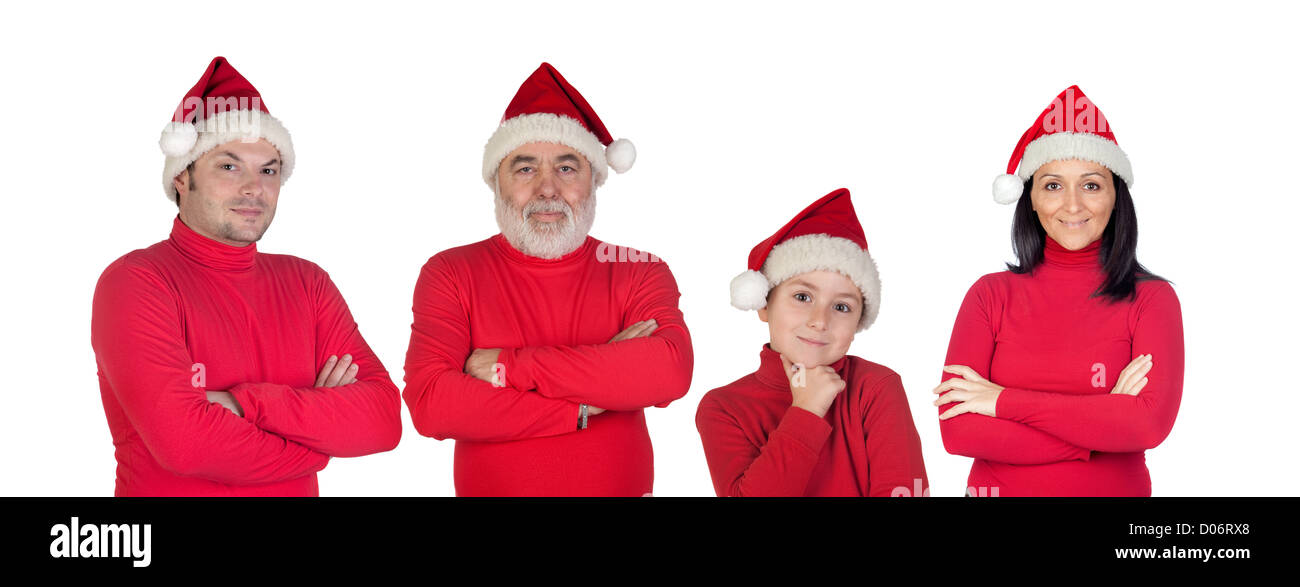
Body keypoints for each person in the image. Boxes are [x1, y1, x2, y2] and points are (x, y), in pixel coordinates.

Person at [90, 56, 402, 496]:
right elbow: (186, 444)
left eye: (268, 170)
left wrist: (242, 404)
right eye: (229, 166)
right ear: (182, 175)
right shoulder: (137, 282)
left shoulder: (307, 283)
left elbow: (383, 420)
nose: (254, 188)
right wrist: (315, 442)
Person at [401, 63, 693, 496]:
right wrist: (584, 405)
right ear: (495, 182)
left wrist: (508, 366)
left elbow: (668, 369)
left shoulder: (638, 268)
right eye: (524, 169)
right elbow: (433, 403)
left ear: (593, 179)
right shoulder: (451, 272)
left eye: (567, 168)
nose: (547, 189)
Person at [934, 85, 1184, 497]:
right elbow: (958, 432)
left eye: (1091, 185)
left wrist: (1002, 402)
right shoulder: (989, 295)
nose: (1071, 205)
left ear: (1115, 197)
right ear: (1029, 197)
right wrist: (1099, 429)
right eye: (1052, 185)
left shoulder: (1152, 300)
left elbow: (1147, 425)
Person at [696, 188, 928, 497]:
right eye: (802, 297)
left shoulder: (876, 388)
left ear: (859, 321)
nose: (820, 320)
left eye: (842, 307)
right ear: (764, 304)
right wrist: (806, 410)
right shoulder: (723, 408)